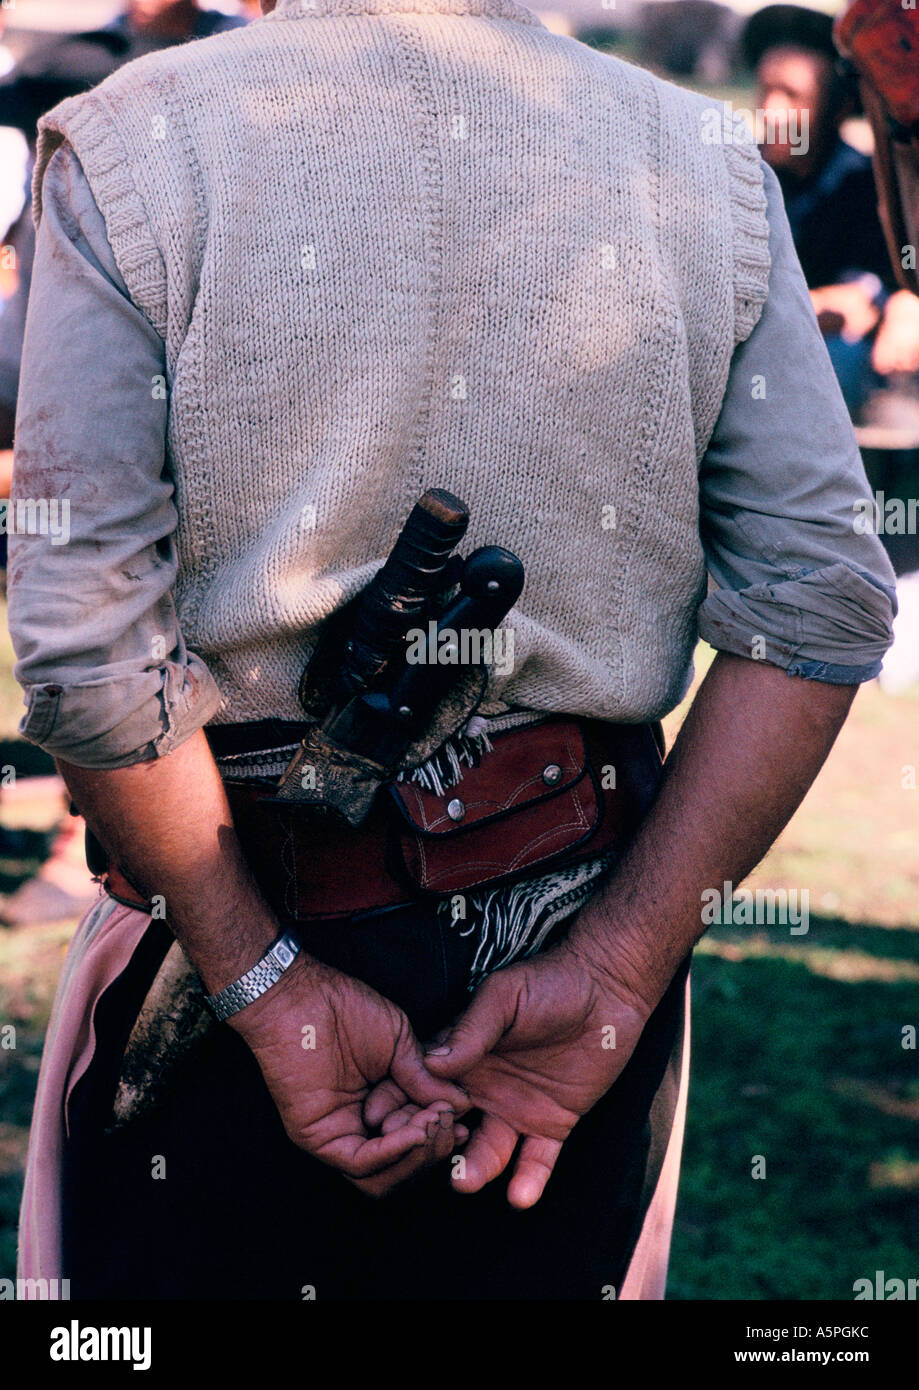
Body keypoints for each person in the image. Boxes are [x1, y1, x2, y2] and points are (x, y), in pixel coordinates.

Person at [11, 0, 895, 1300]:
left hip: (226, 951)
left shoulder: (134, 144)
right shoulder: (700, 162)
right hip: (573, 946)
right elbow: (817, 600)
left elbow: (85, 655)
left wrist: (260, 979)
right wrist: (615, 966)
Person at [742, 2, 919, 418]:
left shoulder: (865, 186)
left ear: (837, 108)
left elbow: (864, 299)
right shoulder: (738, 181)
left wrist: (895, 304)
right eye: (765, 90)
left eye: (791, 94)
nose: (772, 112)